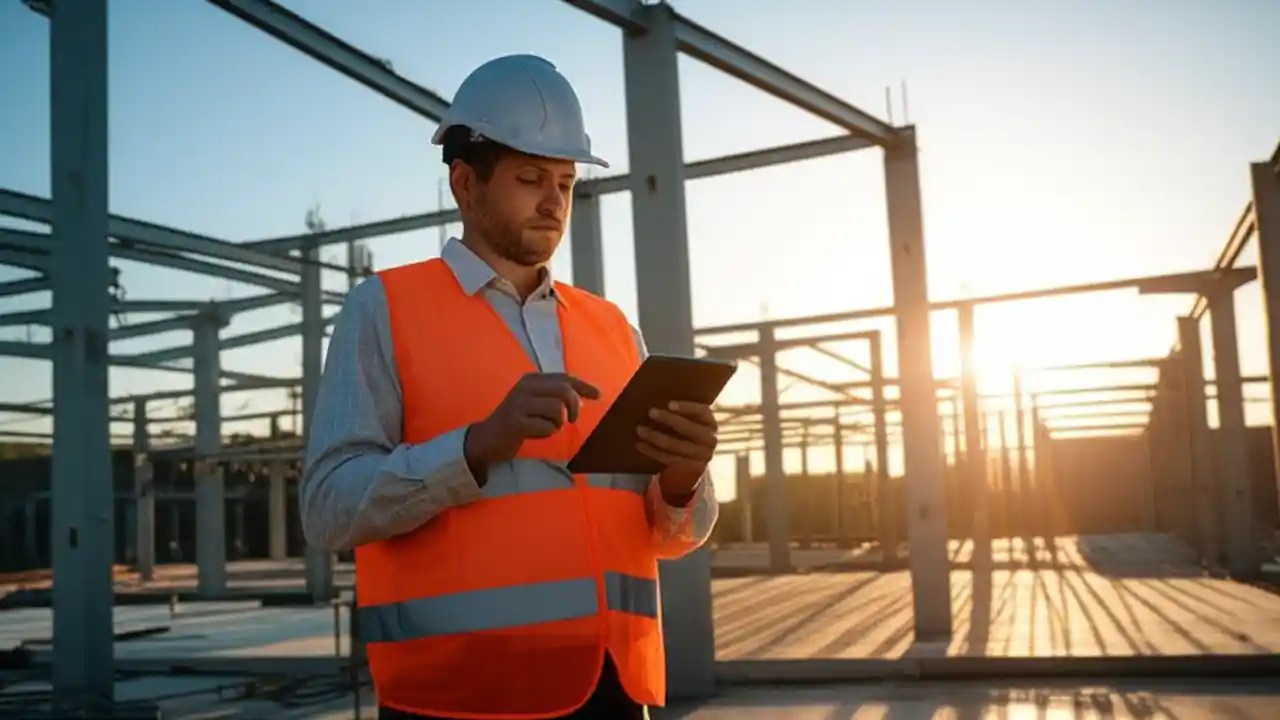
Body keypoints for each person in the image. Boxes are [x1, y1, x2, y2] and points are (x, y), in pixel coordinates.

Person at [300, 54, 720, 720]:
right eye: (530, 179)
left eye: (565, 181)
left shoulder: (613, 329)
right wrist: (472, 449)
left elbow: (667, 536)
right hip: (457, 698)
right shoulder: (382, 310)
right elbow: (327, 508)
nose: (553, 201)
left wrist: (681, 483)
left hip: (612, 691)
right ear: (465, 184)